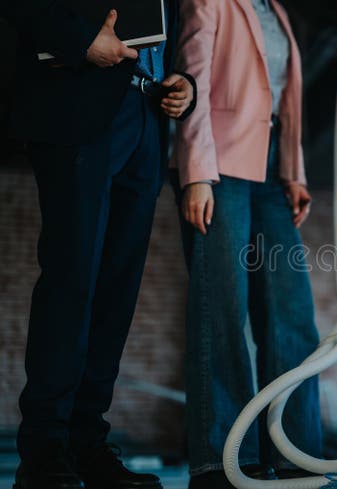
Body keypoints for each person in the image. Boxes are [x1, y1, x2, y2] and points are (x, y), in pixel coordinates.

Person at [4, 2, 196, 489]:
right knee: (73, 281)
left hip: (148, 114)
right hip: (78, 101)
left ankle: (87, 443)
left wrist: (181, 83)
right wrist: (80, 39)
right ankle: (44, 450)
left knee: (117, 292)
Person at [171, 0, 322, 487]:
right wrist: (197, 174)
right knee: (223, 308)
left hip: (272, 170)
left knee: (292, 312)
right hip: (221, 166)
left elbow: (284, 97)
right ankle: (222, 458)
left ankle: (296, 454)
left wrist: (293, 172)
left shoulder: (275, 10)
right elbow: (192, 80)